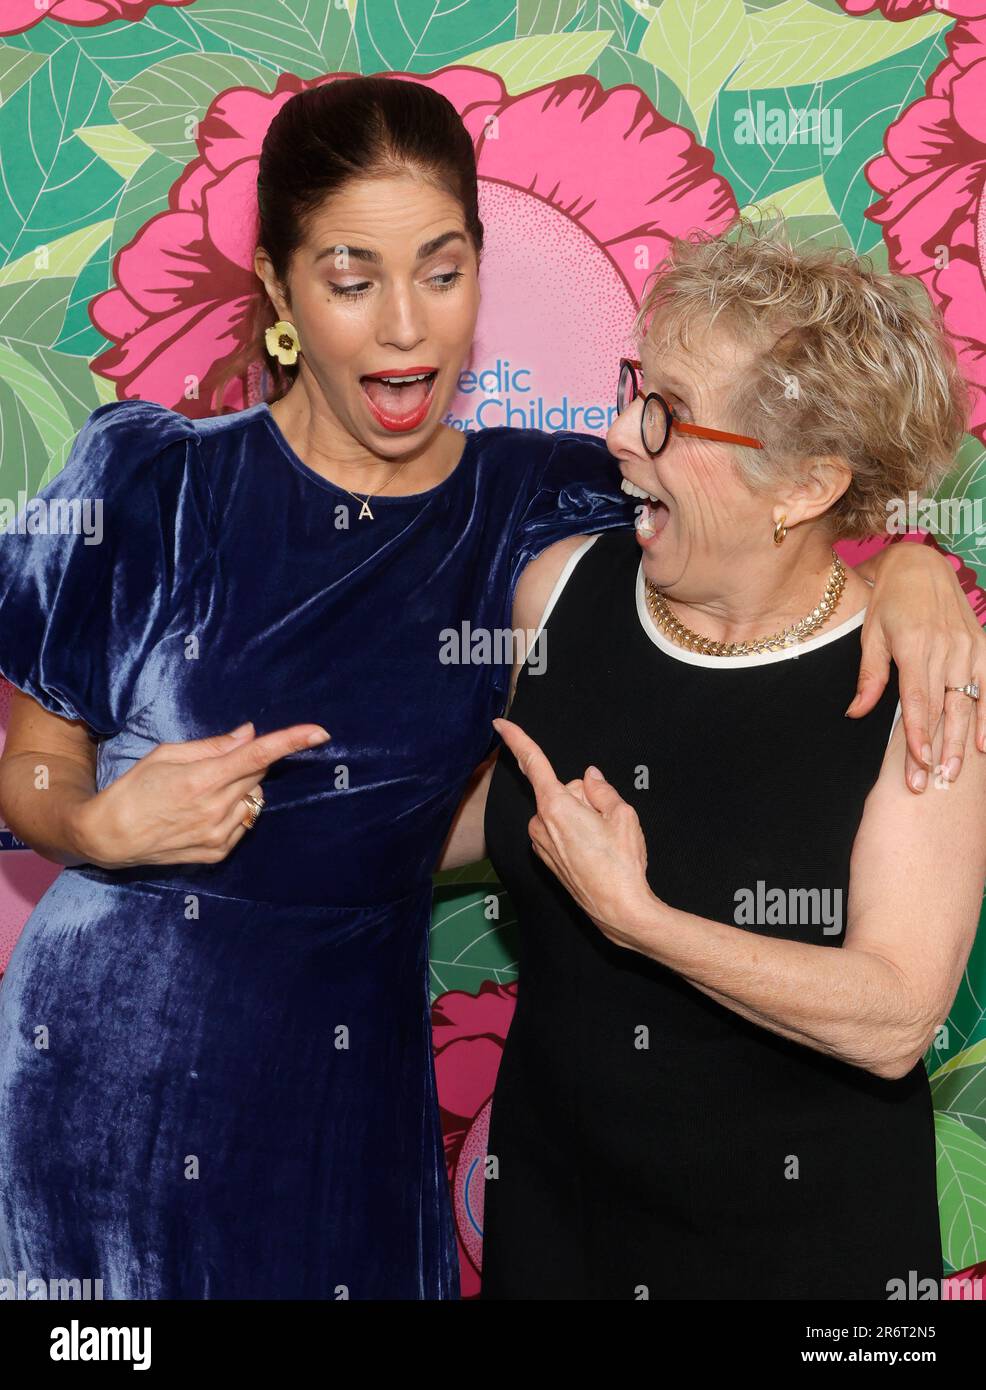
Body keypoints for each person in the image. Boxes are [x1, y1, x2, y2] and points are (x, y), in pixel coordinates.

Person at [0, 79, 978, 1302]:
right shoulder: (149, 478)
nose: (405, 326)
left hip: (346, 1064)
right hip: (111, 1058)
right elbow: (31, 768)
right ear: (278, 291)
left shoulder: (538, 504)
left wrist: (905, 569)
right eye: (352, 280)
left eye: (443, 270)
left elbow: (775, 524)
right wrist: (96, 822)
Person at [440, 221, 986, 1300]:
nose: (615, 433)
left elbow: (891, 1018)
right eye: (636, 385)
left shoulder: (922, 683)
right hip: (562, 1224)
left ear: (803, 485)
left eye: (668, 415)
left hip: (799, 1256)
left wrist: (637, 918)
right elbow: (482, 809)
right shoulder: (559, 589)